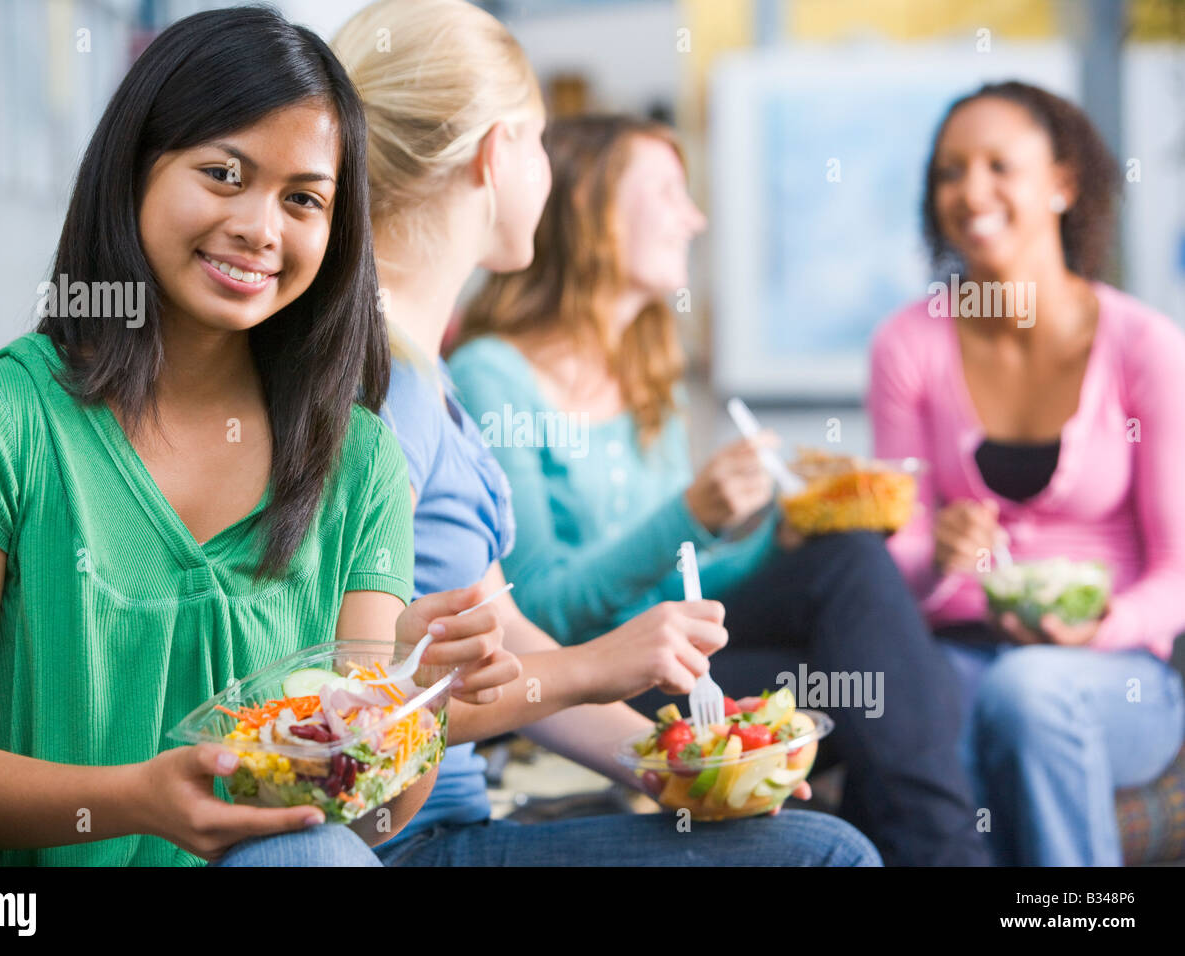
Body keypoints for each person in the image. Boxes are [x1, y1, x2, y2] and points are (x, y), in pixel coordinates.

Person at [213, 0, 880, 867]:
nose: (549, 174)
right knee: (828, 856)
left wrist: (671, 766)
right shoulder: (386, 388)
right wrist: (601, 662)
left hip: (452, 822)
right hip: (405, 841)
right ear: (497, 153)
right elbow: (344, 696)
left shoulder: (422, 375)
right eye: (536, 141)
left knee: (814, 843)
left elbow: (512, 635)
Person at [0, 7, 518, 867]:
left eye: (304, 199)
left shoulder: (359, 462)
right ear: (134, 170)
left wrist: (413, 696)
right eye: (224, 174)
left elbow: (370, 819)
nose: (262, 228)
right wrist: (134, 800)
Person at [448, 113, 990, 866]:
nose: (694, 217)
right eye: (669, 192)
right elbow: (539, 614)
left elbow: (680, 579)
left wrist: (778, 531)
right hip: (589, 682)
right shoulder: (491, 375)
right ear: (592, 212)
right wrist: (692, 512)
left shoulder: (643, 372)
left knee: (852, 561)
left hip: (675, 657)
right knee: (900, 686)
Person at [868, 80, 1185, 866]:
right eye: (949, 172)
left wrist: (1097, 629)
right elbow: (893, 566)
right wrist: (937, 557)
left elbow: (1178, 572)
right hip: (961, 650)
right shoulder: (908, 346)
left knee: (1028, 691)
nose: (971, 191)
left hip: (1117, 676)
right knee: (926, 701)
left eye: (998, 165)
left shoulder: (1144, 347)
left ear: (1062, 184)